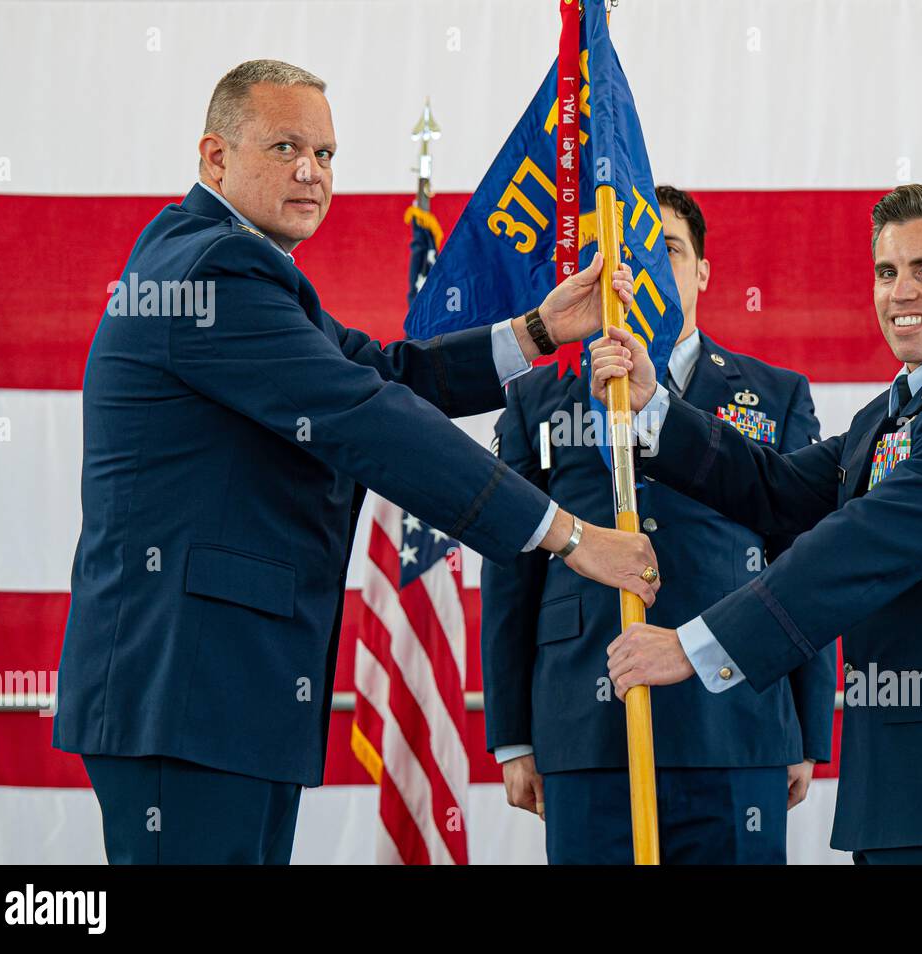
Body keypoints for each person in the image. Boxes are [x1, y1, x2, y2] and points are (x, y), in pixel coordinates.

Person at [54, 59, 659, 864]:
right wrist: (571, 538)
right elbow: (370, 420)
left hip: (219, 690)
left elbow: (386, 374)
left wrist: (539, 331)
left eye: (327, 154)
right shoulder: (212, 271)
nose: (312, 172)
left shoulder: (239, 266)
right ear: (214, 158)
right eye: (285, 148)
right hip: (189, 687)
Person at [592, 183, 922, 864]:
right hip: (906, 792)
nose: (902, 292)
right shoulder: (893, 413)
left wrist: (693, 647)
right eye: (887, 271)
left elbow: (857, 546)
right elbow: (776, 490)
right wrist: (654, 405)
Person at [482, 186, 835, 864]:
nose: (647, 268)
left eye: (668, 249)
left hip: (737, 722)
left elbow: (806, 560)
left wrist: (806, 728)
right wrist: (514, 737)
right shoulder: (536, 398)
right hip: (586, 729)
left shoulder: (777, 395)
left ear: (703, 269)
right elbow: (511, 566)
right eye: (629, 254)